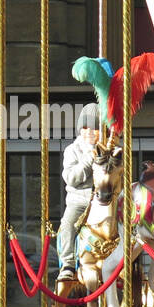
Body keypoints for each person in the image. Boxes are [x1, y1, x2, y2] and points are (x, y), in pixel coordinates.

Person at [56, 106, 100, 283]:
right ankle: (67, 263)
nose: (89, 131)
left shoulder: (110, 149)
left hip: (104, 201)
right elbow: (71, 178)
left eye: (94, 127)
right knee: (68, 224)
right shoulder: (72, 150)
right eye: (85, 127)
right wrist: (89, 158)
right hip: (80, 201)